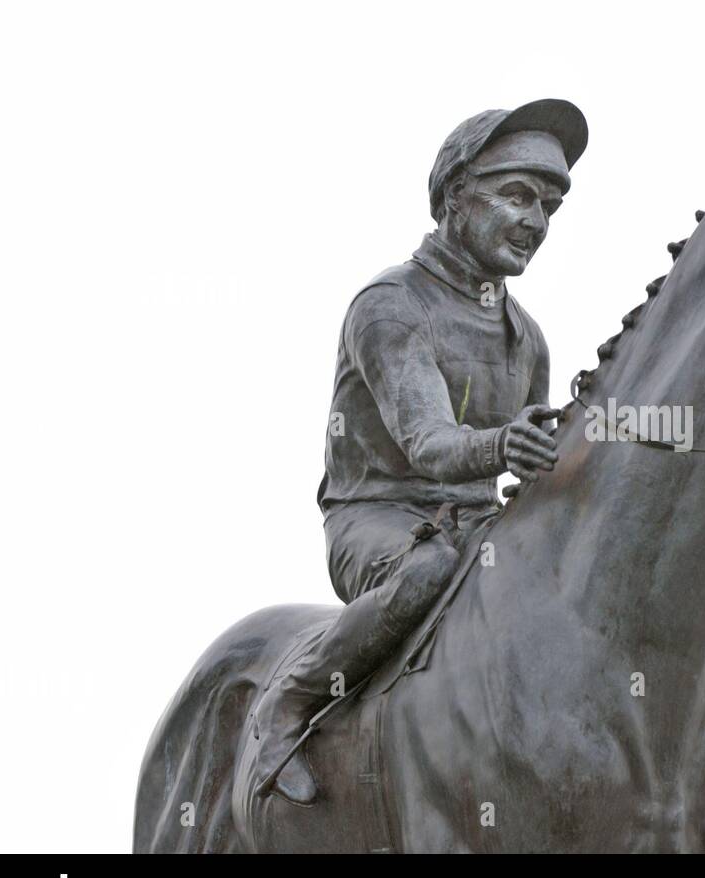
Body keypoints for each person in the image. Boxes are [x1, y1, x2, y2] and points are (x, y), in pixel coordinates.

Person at [251, 99, 588, 805]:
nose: (536, 221)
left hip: (476, 525)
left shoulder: (527, 336)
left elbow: (528, 473)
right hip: (380, 522)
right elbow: (430, 442)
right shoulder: (391, 305)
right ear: (455, 197)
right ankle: (292, 696)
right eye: (517, 195)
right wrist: (505, 443)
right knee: (430, 566)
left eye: (550, 206)